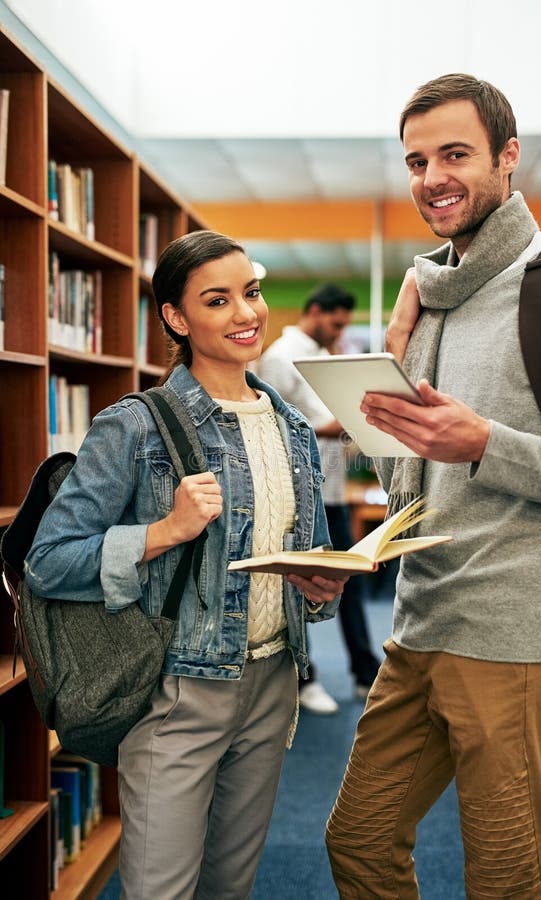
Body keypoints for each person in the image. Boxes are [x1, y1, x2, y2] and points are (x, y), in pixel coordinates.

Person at [325, 73, 541, 899]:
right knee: (359, 843)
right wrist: (398, 351)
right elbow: (409, 479)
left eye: (454, 154)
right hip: (419, 621)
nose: (431, 178)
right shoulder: (427, 298)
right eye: (415, 161)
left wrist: (487, 442)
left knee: (507, 879)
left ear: (507, 158)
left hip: (511, 637)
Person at [24, 230, 347, 900]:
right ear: (175, 317)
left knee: (230, 886)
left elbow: (298, 564)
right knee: (161, 890)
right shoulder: (135, 426)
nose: (246, 314)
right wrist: (162, 532)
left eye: (251, 294)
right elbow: (47, 563)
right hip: (177, 690)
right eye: (218, 300)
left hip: (272, 682)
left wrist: (319, 589)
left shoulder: (292, 430)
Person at [258, 284, 382, 713]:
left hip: (331, 490)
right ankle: (304, 680)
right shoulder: (278, 358)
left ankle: (365, 672)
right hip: (297, 494)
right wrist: (345, 424)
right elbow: (274, 426)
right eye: (336, 323)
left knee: (346, 582)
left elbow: (323, 422)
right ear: (314, 311)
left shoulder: (322, 357)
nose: (339, 332)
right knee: (300, 585)